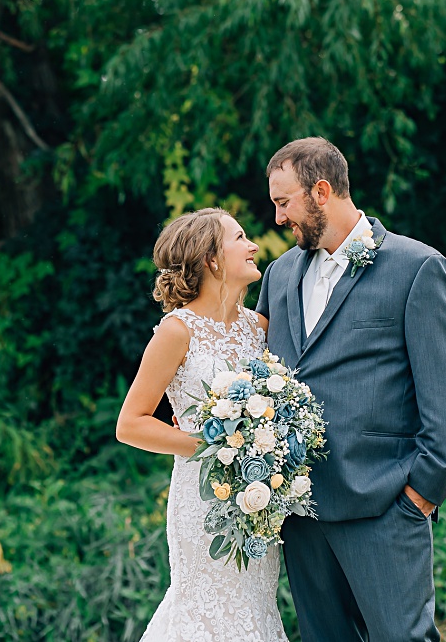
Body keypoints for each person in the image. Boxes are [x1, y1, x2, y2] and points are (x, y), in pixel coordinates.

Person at [257, 137, 446, 642]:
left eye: (283, 202)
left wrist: (420, 494)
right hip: (302, 512)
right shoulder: (280, 273)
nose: (277, 217)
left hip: (383, 507)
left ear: (323, 191)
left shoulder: (417, 269)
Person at [117, 208, 288, 642]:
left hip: (256, 500)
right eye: (240, 237)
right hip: (202, 499)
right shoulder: (177, 331)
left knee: (254, 609)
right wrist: (211, 445)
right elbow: (131, 423)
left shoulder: (260, 328)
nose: (253, 246)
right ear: (212, 258)